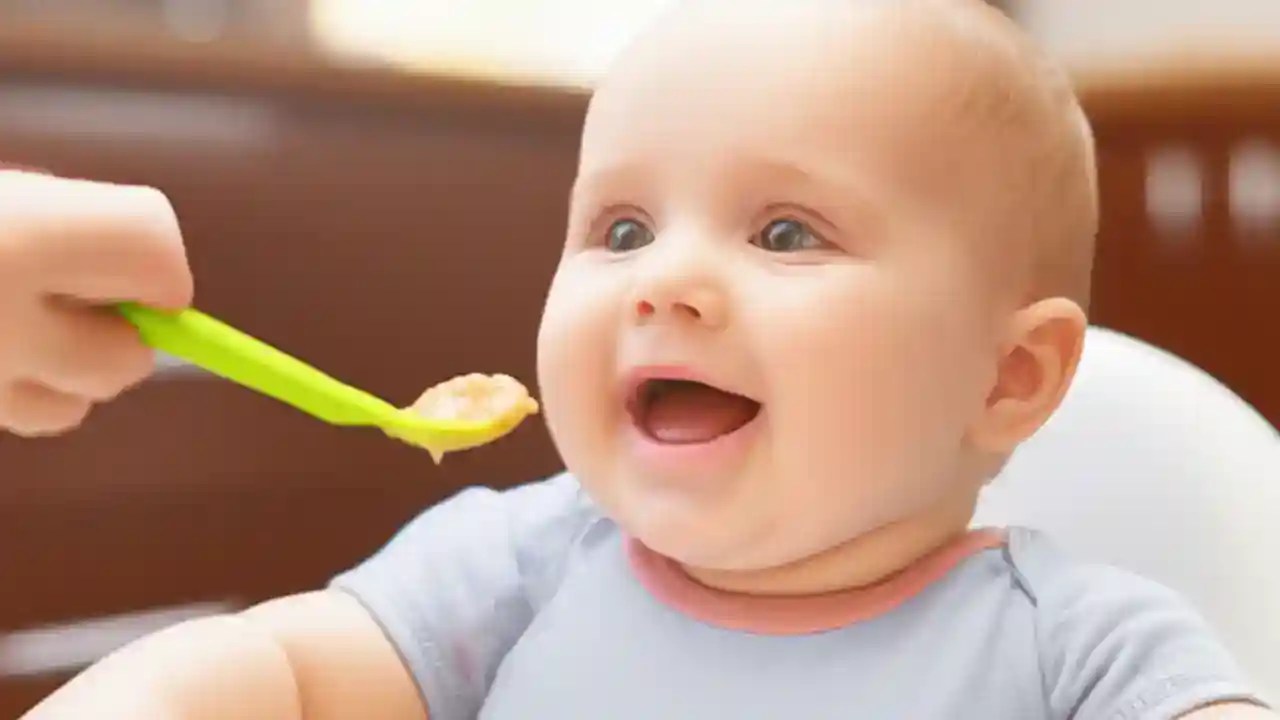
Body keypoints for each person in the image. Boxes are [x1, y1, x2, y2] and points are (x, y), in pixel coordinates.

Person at [6, 1, 1274, 717]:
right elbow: (287, 678)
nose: (662, 280)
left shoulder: (1078, 648)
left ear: (1006, 378)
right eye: (620, 230)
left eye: (784, 233)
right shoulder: (516, 568)